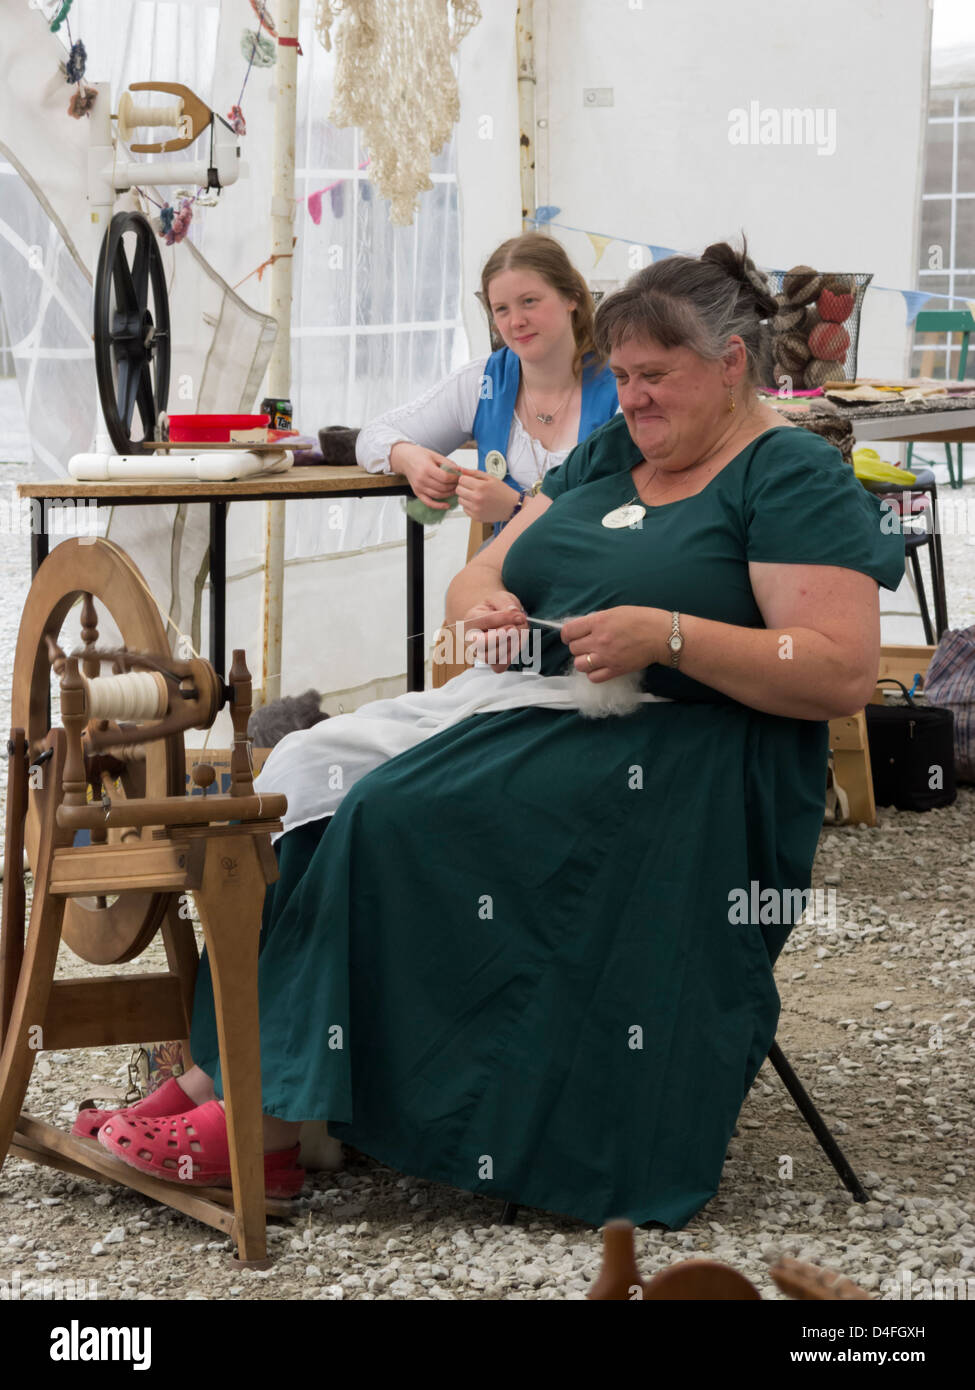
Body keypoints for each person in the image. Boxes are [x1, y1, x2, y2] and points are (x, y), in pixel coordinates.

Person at [91, 241, 904, 1229]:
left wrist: (669, 634)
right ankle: (262, 1078)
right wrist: (492, 604)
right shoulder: (616, 456)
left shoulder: (788, 477)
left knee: (393, 813)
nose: (634, 398)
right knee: (295, 777)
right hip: (532, 698)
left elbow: (838, 670)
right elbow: (480, 575)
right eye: (626, 376)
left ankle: (268, 1121)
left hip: (689, 752)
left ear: (733, 364)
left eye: (656, 378)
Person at [355, 232, 619, 531]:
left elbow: (636, 519)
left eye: (529, 301)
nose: (516, 321)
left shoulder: (624, 385)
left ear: (571, 297)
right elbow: (371, 437)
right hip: (508, 573)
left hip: (599, 572)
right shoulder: (483, 382)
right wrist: (407, 457)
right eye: (502, 309)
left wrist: (517, 507)